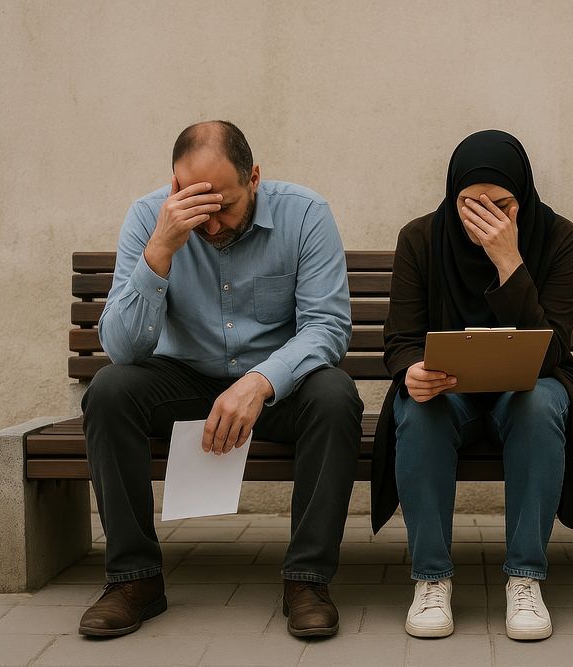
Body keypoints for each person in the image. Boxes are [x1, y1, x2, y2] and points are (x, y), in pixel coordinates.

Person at [79, 121, 363, 638]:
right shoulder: (148, 218)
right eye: (196, 206)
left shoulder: (306, 214)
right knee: (109, 391)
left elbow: (327, 327)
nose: (211, 226)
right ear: (174, 188)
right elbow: (122, 349)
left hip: (276, 389)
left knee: (335, 394)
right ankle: (134, 579)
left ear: (254, 176)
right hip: (182, 379)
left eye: (224, 206)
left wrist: (259, 381)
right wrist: (161, 249)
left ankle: (307, 580)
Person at [371, 130, 573, 641]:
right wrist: (411, 369)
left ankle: (525, 577)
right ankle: (431, 579)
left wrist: (509, 261)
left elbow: (551, 350)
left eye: (502, 206)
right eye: (469, 205)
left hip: (525, 387)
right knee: (416, 407)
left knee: (541, 401)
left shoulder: (558, 237)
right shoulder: (420, 238)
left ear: (524, 195)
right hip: (448, 392)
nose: (485, 218)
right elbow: (400, 340)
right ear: (451, 194)